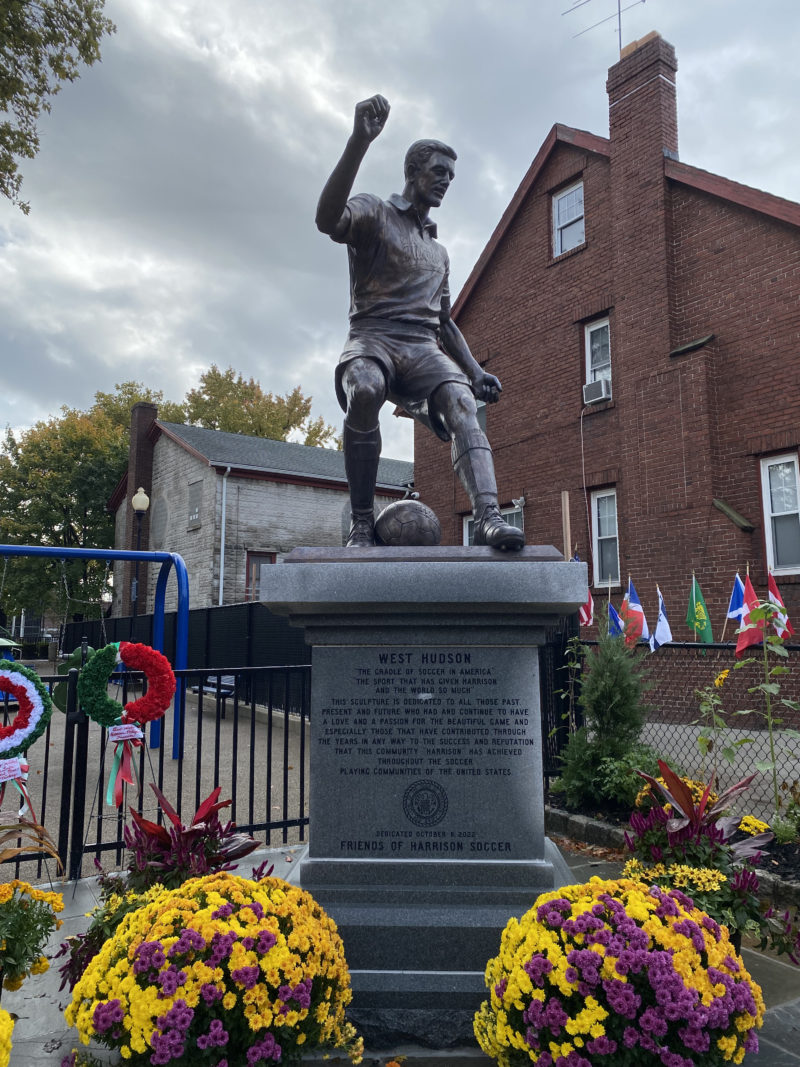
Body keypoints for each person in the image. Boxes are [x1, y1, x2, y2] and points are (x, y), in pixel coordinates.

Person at [316, 94, 524, 551]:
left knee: (463, 403)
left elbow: (445, 322)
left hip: (423, 348)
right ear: (412, 172)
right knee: (365, 389)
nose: (446, 181)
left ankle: (488, 517)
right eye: (439, 172)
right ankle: (362, 524)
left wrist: (474, 372)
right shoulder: (374, 212)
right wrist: (358, 141)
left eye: (451, 176)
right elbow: (327, 219)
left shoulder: (438, 252)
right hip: (372, 337)